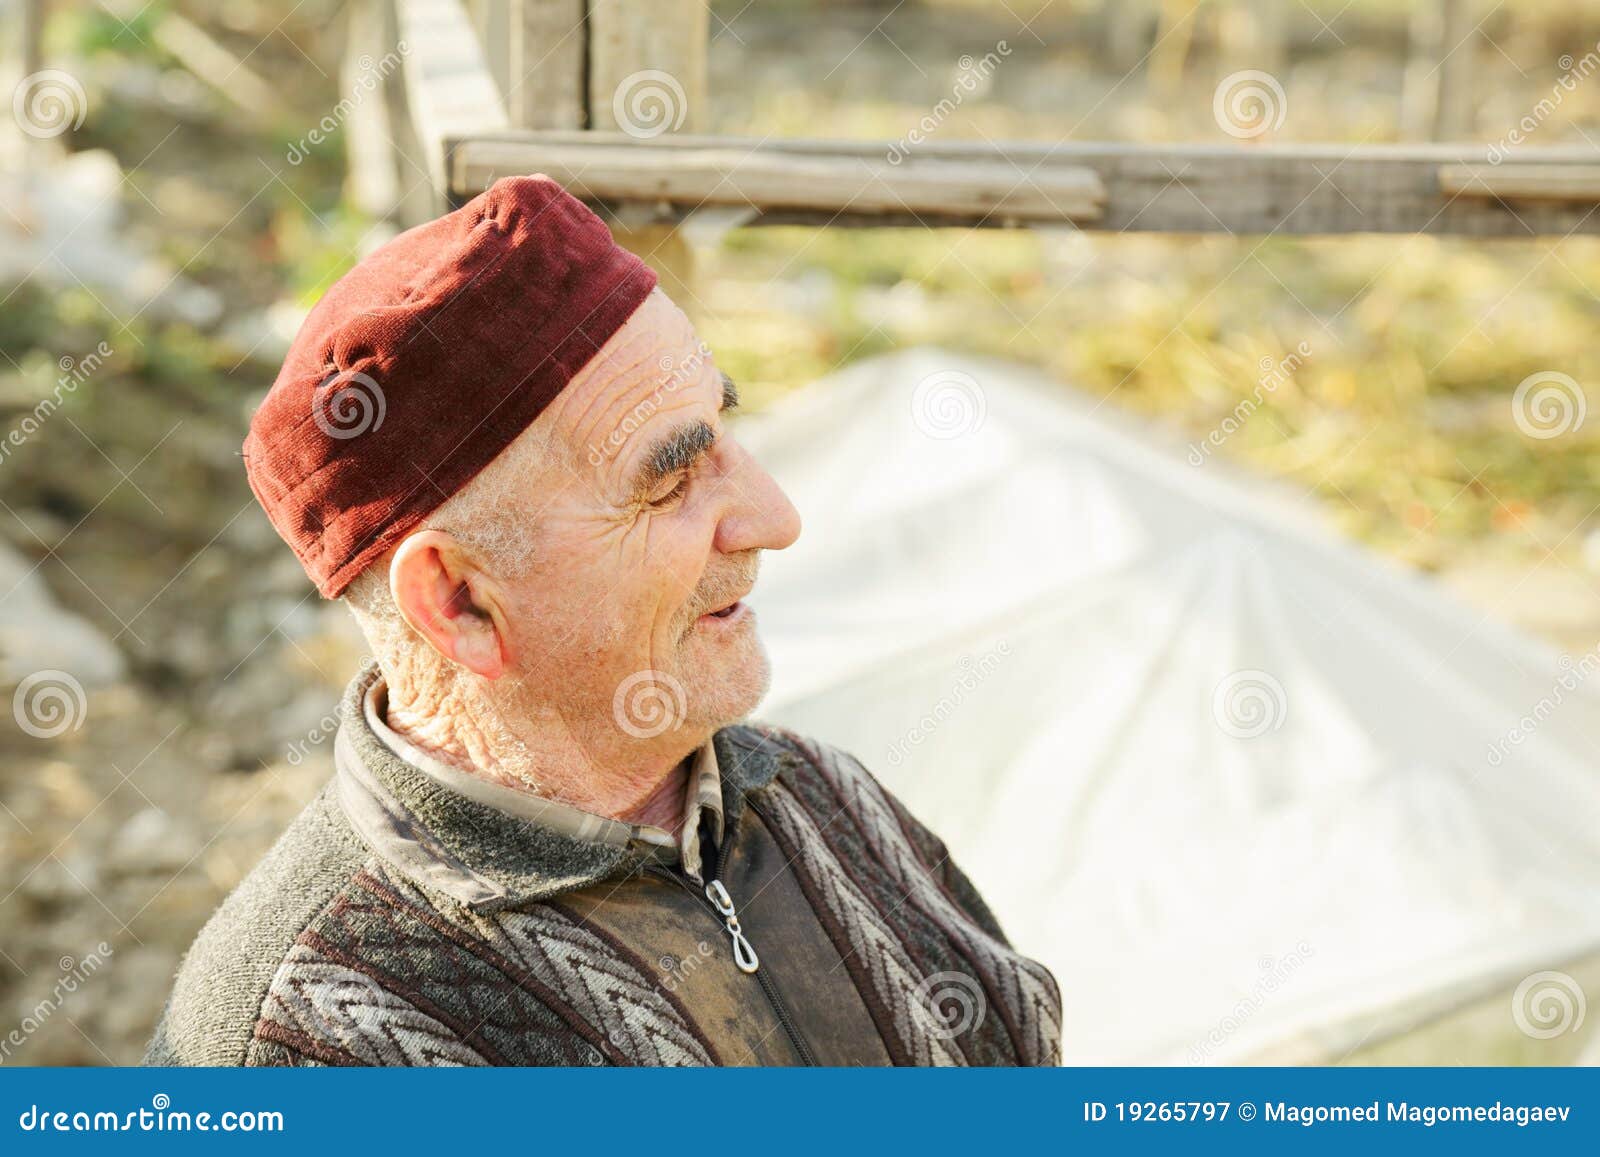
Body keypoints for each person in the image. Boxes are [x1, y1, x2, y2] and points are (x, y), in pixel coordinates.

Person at [143, 175, 1060, 1066]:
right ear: (459, 602)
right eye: (669, 480)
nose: (777, 519)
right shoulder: (303, 1046)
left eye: (727, 430)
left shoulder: (828, 800)